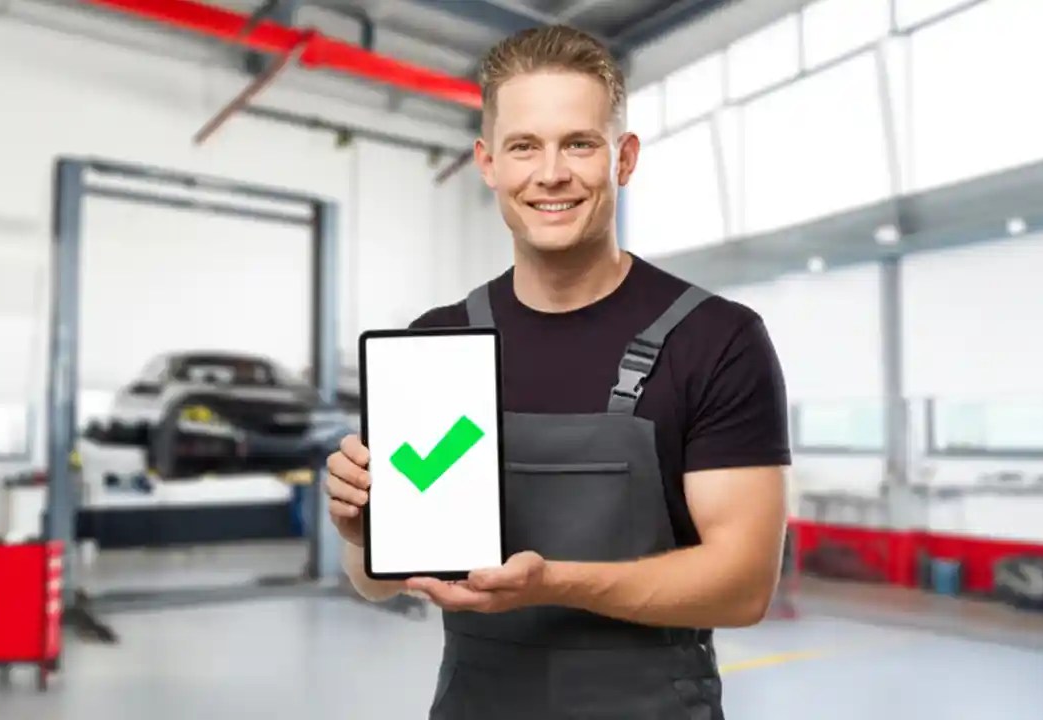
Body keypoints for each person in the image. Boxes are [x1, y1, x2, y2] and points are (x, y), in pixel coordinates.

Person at [325, 24, 791, 720]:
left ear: (623, 158)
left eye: (578, 143)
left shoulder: (715, 339)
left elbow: (744, 585)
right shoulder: (435, 345)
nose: (550, 174)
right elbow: (378, 582)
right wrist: (363, 534)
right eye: (523, 146)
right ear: (488, 163)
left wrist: (554, 584)